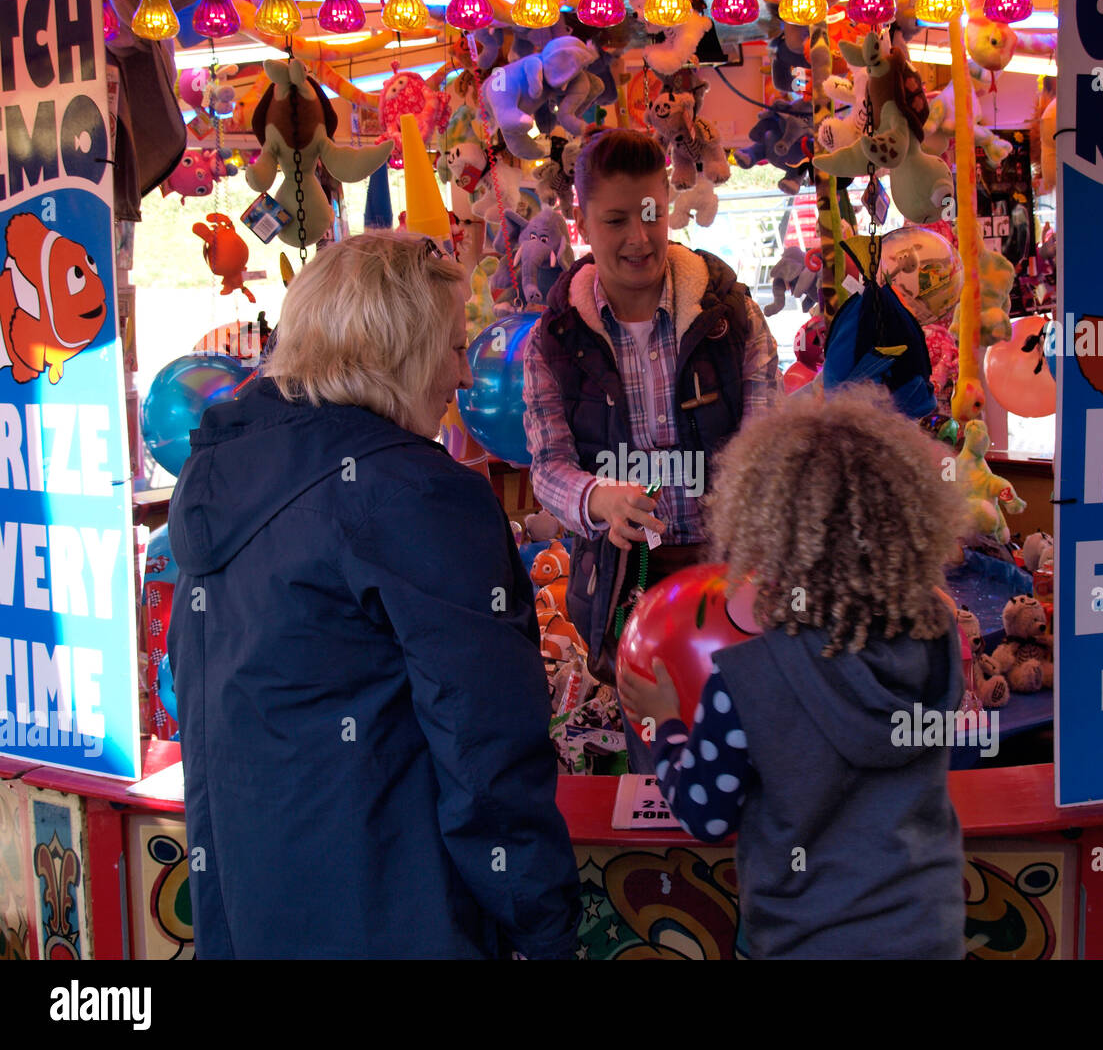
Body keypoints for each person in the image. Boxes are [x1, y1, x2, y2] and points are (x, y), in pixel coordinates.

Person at [168, 232, 580, 959]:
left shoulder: (221, 475)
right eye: (454, 348)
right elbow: (486, 751)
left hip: (256, 912)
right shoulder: (412, 496)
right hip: (400, 918)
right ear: (401, 348)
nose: (462, 375)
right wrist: (544, 926)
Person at [619, 384, 969, 960]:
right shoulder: (935, 639)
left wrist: (666, 726)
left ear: (768, 534)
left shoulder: (750, 677)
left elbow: (705, 813)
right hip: (926, 932)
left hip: (804, 941)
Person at [523, 128, 781, 771]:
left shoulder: (734, 319)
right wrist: (596, 497)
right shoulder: (551, 341)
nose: (639, 238)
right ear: (581, 221)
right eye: (615, 220)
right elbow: (547, 465)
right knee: (661, 772)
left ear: (666, 203)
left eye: (649, 214)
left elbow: (771, 445)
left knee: (763, 761)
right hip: (624, 590)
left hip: (734, 575)